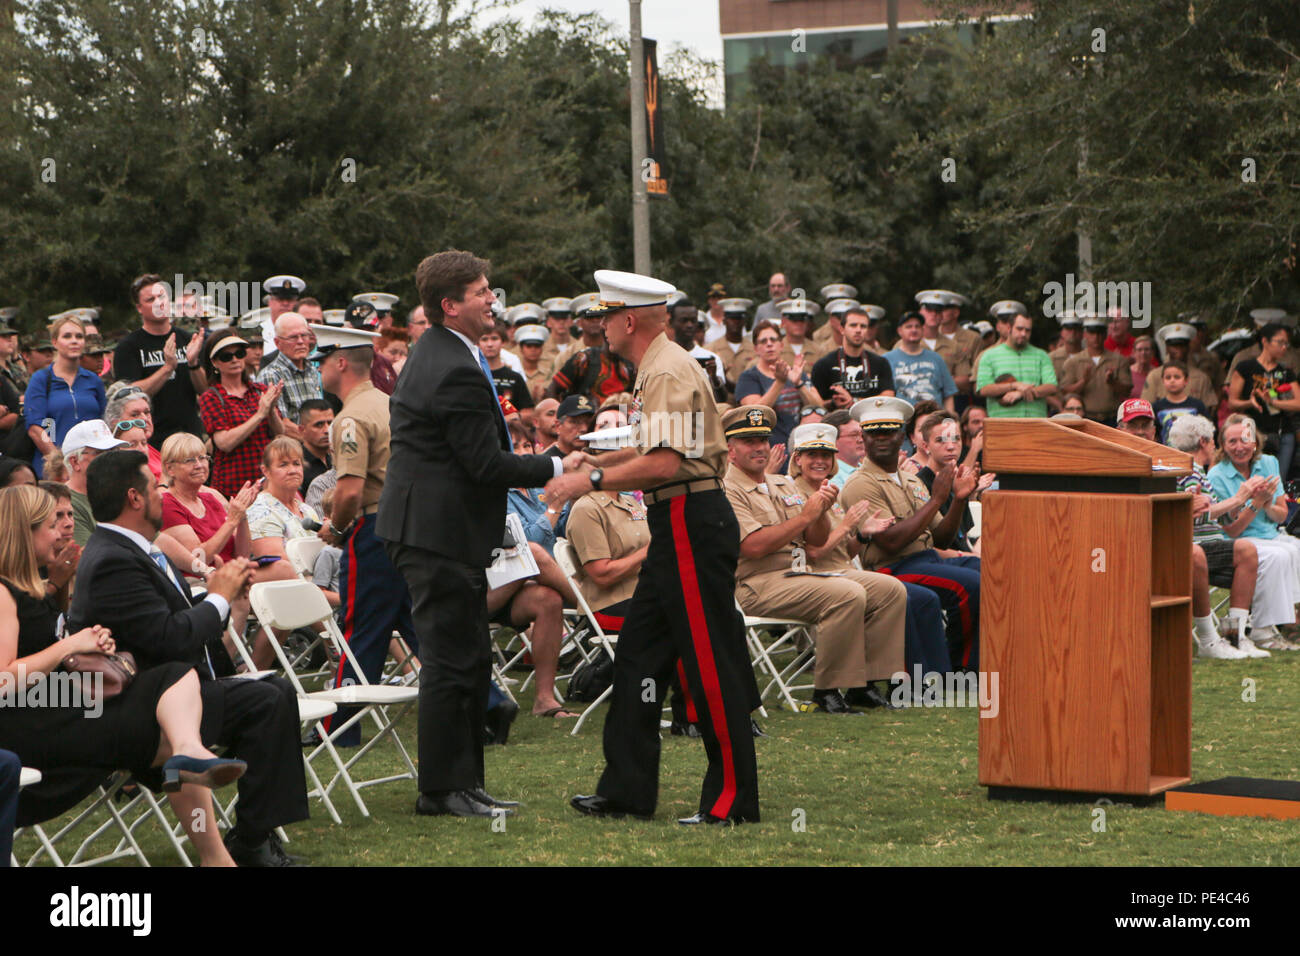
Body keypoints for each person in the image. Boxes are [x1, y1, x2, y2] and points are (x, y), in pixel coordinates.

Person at [544, 268, 760, 826]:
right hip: (676, 516)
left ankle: (733, 799)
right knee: (639, 656)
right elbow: (656, 453)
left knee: (709, 660)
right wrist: (599, 463)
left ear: (629, 319)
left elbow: (667, 463)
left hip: (690, 516)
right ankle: (626, 791)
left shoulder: (665, 370)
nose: (600, 329)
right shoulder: (661, 366)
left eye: (605, 318)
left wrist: (585, 482)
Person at [379, 250, 576, 820]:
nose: (493, 299)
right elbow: (485, 465)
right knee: (451, 663)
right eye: (482, 292)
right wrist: (559, 467)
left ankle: (465, 784)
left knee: (466, 661)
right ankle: (442, 790)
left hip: (442, 530)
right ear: (450, 305)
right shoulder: (454, 363)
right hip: (435, 532)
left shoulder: (447, 352)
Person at [69, 450, 310, 866]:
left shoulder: (131, 549)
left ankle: (254, 836)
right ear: (135, 497)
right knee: (269, 698)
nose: (162, 493)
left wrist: (219, 595)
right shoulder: (113, 559)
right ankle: (252, 840)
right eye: (155, 485)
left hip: (175, 690)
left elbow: (173, 628)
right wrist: (219, 595)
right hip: (146, 708)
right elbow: (170, 638)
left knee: (271, 689)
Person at [0, 484, 246, 866]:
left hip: (62, 709)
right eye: (52, 524)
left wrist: (85, 642)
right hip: (30, 726)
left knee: (169, 721)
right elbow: (4, 681)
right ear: (23, 532)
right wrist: (68, 647)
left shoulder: (32, 588)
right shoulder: (2, 592)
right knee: (169, 696)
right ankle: (213, 846)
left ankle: (192, 767)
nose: (64, 530)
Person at [725, 410, 907, 712]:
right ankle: (828, 689)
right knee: (847, 595)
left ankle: (866, 684)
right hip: (757, 584)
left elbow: (816, 541)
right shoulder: (728, 491)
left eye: (763, 440)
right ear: (731, 450)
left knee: (889, 589)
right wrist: (808, 516)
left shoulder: (781, 485)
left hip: (800, 574)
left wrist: (820, 511)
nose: (758, 447)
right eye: (748, 441)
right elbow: (753, 547)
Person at [311, 326, 418, 747]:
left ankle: (337, 725)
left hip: (373, 531)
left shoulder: (352, 417)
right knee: (415, 624)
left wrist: (336, 529)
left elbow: (351, 490)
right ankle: (486, 701)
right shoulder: (391, 404)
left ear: (340, 363)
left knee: (361, 628)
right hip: (407, 525)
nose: (318, 368)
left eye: (322, 360)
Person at [842, 397, 982, 672]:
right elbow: (891, 541)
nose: (882, 439)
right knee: (970, 585)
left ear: (901, 437)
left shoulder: (909, 479)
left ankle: (979, 660)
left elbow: (940, 538)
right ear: (864, 438)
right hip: (889, 567)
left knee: (987, 571)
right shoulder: (861, 483)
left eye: (889, 432)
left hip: (927, 558)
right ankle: (964, 668)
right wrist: (934, 501)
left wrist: (958, 500)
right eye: (874, 433)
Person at [1167, 414, 1297, 657]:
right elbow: (1194, 515)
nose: (1219, 446)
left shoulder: (1198, 470)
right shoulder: (1192, 471)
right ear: (1206, 441)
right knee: (1254, 551)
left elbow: (1218, 516)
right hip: (1196, 547)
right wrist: (1242, 499)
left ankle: (1236, 636)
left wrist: (1243, 501)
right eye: (1222, 441)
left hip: (1212, 543)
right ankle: (1231, 636)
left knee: (1257, 551)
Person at [1208, 415, 1300, 651]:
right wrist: (1254, 503)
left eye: (1245, 439)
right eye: (1232, 442)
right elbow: (1232, 529)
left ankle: (1289, 620)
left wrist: (1267, 503)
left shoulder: (1268, 463)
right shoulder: (1217, 475)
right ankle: (1262, 629)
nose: (1240, 447)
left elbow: (1281, 515)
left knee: (1295, 548)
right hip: (1238, 540)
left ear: (1255, 441)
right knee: (1280, 555)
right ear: (1223, 445)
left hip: (1270, 533)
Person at [114, 275, 206, 447]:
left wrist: (193, 363)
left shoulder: (187, 339)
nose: (159, 303)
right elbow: (128, 396)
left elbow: (205, 390)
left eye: (162, 296)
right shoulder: (128, 347)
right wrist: (167, 368)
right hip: (150, 441)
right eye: (151, 299)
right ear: (139, 308)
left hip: (190, 436)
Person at [199, 329, 286, 498]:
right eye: (226, 356)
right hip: (232, 487)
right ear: (215, 363)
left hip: (267, 483)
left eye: (239, 353)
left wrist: (271, 410)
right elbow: (224, 442)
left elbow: (280, 433)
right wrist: (260, 414)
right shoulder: (211, 397)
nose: (235, 360)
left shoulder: (259, 390)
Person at [23, 315, 106, 478]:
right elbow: (35, 428)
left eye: (79, 336)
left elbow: (104, 422)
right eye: (67, 336)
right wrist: (59, 462)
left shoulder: (94, 380)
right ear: (54, 342)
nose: (74, 341)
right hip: (54, 470)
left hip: (92, 468)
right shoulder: (41, 379)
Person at [159, 432, 253, 568]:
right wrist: (232, 521)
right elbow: (198, 560)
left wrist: (242, 517)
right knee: (281, 570)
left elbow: (242, 556)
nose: (199, 465)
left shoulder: (211, 499)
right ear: (170, 469)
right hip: (201, 581)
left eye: (202, 458)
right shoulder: (167, 504)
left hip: (232, 573)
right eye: (189, 460)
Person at [1226, 321, 1300, 481]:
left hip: (1282, 432)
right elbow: (1232, 403)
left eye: (1286, 343)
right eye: (1280, 342)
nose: (1284, 347)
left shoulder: (1286, 372)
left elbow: (1297, 403)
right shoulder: (1245, 367)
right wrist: (1250, 403)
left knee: (1278, 480)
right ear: (1265, 341)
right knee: (1254, 479)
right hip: (1252, 431)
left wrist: (1273, 402)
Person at [737, 319, 823, 451]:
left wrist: (798, 383)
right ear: (755, 349)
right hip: (769, 449)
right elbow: (755, 414)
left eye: (773, 340)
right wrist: (780, 382)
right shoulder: (748, 377)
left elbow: (819, 407)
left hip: (801, 446)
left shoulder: (796, 373)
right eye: (763, 341)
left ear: (781, 345)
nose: (769, 344)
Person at [975, 310, 1058, 417]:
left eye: (1027, 330)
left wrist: (1021, 393)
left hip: (1035, 424)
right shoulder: (989, 355)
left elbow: (1052, 386)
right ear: (1009, 328)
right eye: (1019, 329)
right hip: (1002, 424)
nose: (1023, 334)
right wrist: (1014, 385)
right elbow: (984, 389)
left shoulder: (1042, 355)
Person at [812, 307, 896, 411]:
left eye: (863, 326)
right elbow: (816, 403)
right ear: (842, 329)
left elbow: (889, 397)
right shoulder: (824, 364)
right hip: (838, 422)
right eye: (853, 325)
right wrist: (834, 402)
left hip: (871, 420)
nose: (858, 330)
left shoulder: (880, 362)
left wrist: (854, 401)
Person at [255, 312, 323, 440]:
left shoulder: (313, 370)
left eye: (304, 335)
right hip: (291, 453)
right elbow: (281, 424)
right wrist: (315, 440)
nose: (301, 341)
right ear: (277, 343)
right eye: (293, 337)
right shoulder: (271, 375)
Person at [1059, 316, 1132, 422]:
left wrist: (1113, 382)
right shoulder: (1073, 362)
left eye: (1100, 333)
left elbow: (1127, 391)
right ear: (1085, 334)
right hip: (1085, 417)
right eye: (1092, 333)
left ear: (1106, 334)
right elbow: (1065, 392)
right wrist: (1083, 382)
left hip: (1112, 417)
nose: (1096, 337)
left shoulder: (1119, 360)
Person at [883, 312, 957, 413]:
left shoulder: (936, 359)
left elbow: (948, 394)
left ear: (923, 330)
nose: (914, 330)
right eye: (909, 327)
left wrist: (950, 420)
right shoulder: (886, 359)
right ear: (900, 331)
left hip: (933, 420)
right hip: (900, 422)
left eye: (917, 326)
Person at [1145, 323, 1219, 415]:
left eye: (1182, 346)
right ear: (1167, 348)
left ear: (1188, 347)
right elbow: (1146, 409)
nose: (1178, 349)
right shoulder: (1154, 376)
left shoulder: (1201, 378)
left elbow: (1210, 409)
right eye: (1174, 346)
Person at [104, 386, 163, 478]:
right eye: (135, 414)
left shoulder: (154, 451)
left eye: (147, 412)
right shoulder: (111, 461)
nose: (144, 418)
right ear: (114, 422)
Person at [1151, 363, 1209, 443]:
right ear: (1163, 381)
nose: (1172, 380)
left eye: (1177, 377)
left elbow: (1206, 431)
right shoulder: (1156, 407)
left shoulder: (1197, 405)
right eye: (1168, 377)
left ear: (1186, 380)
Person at [296, 399, 334, 495]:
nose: (327, 430)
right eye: (319, 425)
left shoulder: (337, 460)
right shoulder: (296, 465)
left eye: (330, 423)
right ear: (302, 430)